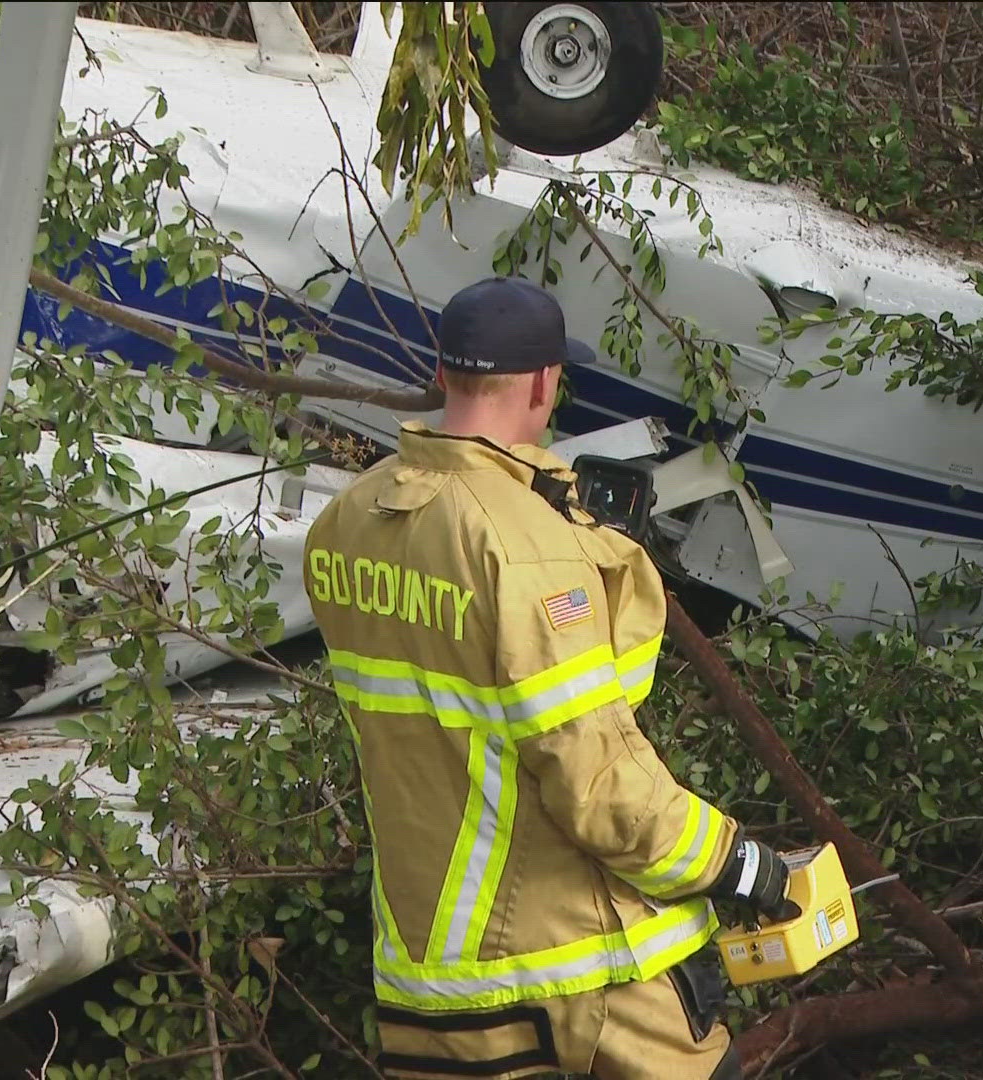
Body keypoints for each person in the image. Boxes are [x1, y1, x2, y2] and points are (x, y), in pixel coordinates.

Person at [303, 277, 793, 1080]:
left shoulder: (347, 522)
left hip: (428, 970)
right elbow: (599, 780)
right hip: (568, 963)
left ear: (442, 369)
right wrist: (739, 862)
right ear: (543, 382)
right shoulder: (529, 545)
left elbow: (455, 694)